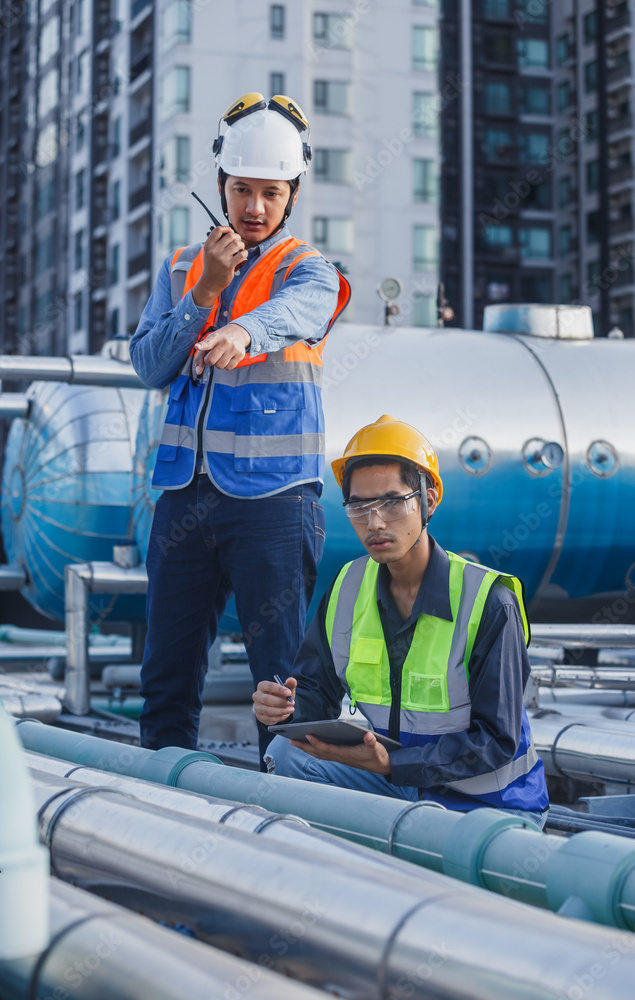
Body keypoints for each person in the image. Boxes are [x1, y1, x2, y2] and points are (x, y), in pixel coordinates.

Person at [130, 92, 350, 765]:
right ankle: (159, 799)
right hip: (183, 496)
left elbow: (298, 313)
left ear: (292, 195)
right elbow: (149, 364)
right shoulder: (180, 270)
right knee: (165, 670)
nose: (254, 207)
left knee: (280, 677)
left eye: (271, 193)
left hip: (273, 502)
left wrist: (240, 328)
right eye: (242, 190)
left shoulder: (308, 270)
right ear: (221, 186)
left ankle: (285, 812)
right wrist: (203, 296)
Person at [254, 415, 550, 826]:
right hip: (397, 783)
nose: (375, 523)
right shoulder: (347, 588)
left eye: (392, 502)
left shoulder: (489, 602)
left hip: (487, 803)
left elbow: (495, 742)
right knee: (286, 753)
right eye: (359, 506)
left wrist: (395, 764)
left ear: (428, 501)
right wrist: (284, 709)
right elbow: (315, 694)